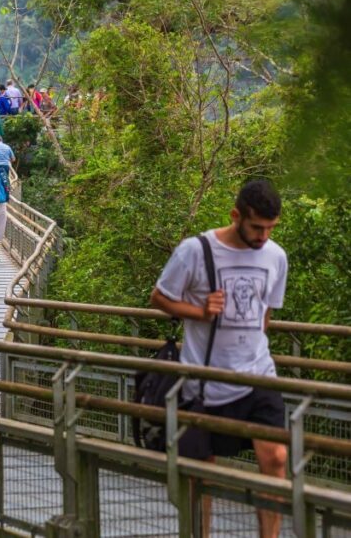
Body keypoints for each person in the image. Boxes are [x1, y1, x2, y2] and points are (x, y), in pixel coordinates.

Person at [150, 179, 288, 538]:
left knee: (276, 459)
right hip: (205, 380)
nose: (263, 237)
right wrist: (198, 311)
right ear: (236, 215)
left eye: (270, 229)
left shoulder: (276, 256)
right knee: (201, 471)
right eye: (257, 227)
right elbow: (160, 298)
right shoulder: (195, 251)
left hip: (258, 375)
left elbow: (266, 315)